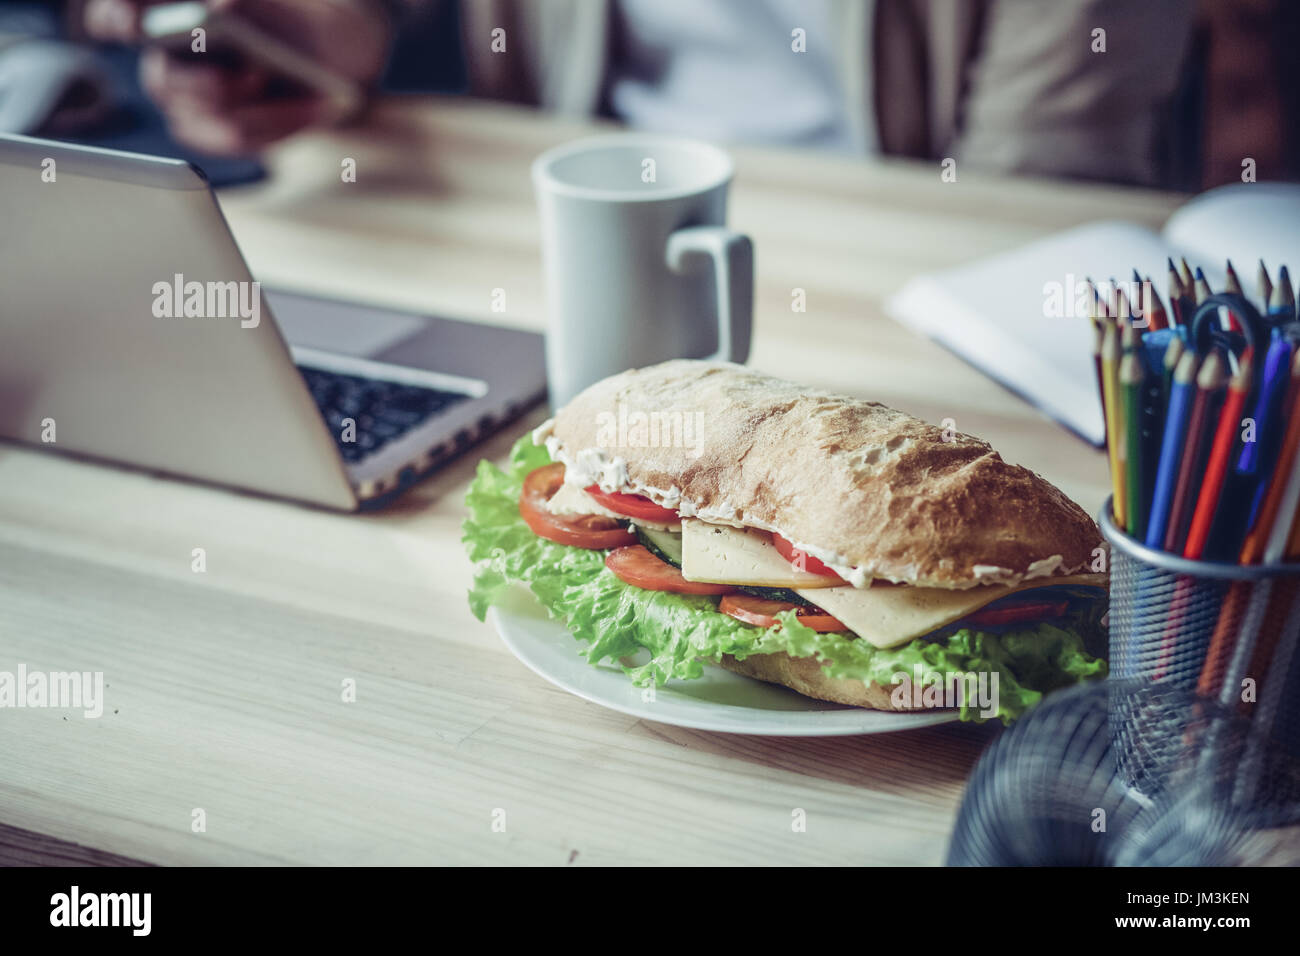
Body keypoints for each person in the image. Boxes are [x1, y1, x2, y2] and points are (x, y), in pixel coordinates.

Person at [80, 0, 1197, 186]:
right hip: (547, 224)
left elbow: (1025, 199)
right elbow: (392, 27)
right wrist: (301, 42)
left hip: (886, 265)